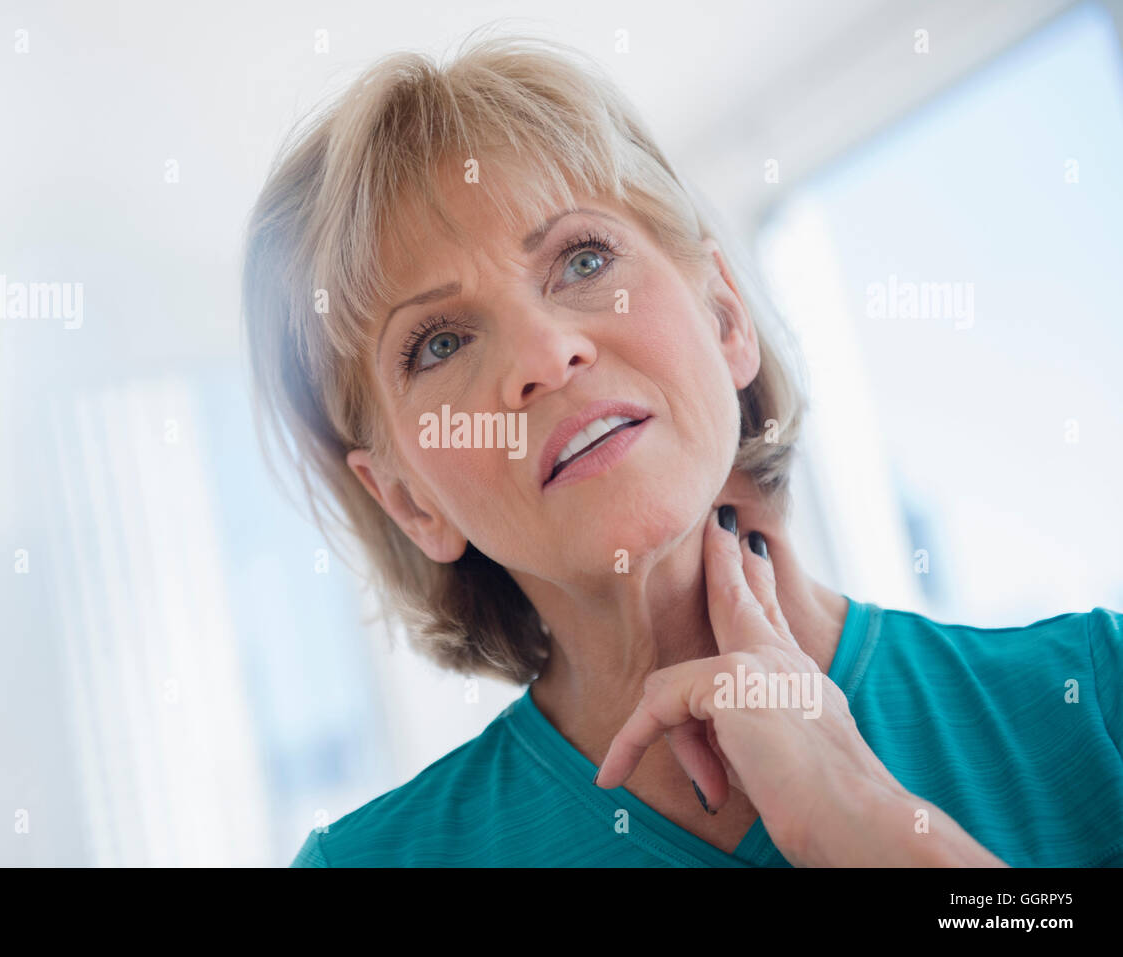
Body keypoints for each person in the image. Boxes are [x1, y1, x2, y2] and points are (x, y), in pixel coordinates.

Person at [241, 29, 1123, 866]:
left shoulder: (1099, 698)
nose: (546, 357)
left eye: (583, 260)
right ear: (409, 501)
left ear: (724, 315)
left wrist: (869, 829)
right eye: (440, 343)